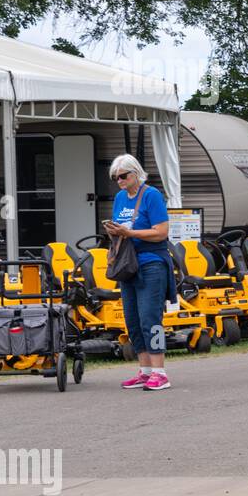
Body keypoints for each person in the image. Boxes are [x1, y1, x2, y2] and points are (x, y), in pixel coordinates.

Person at [104, 154, 174, 392]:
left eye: (123, 176)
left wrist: (130, 234)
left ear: (136, 173)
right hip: (128, 264)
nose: (120, 181)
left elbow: (162, 232)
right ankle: (144, 371)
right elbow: (122, 228)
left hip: (151, 262)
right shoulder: (120, 198)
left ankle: (160, 372)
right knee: (132, 319)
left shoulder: (151, 195)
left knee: (150, 318)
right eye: (116, 177)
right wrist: (115, 231)